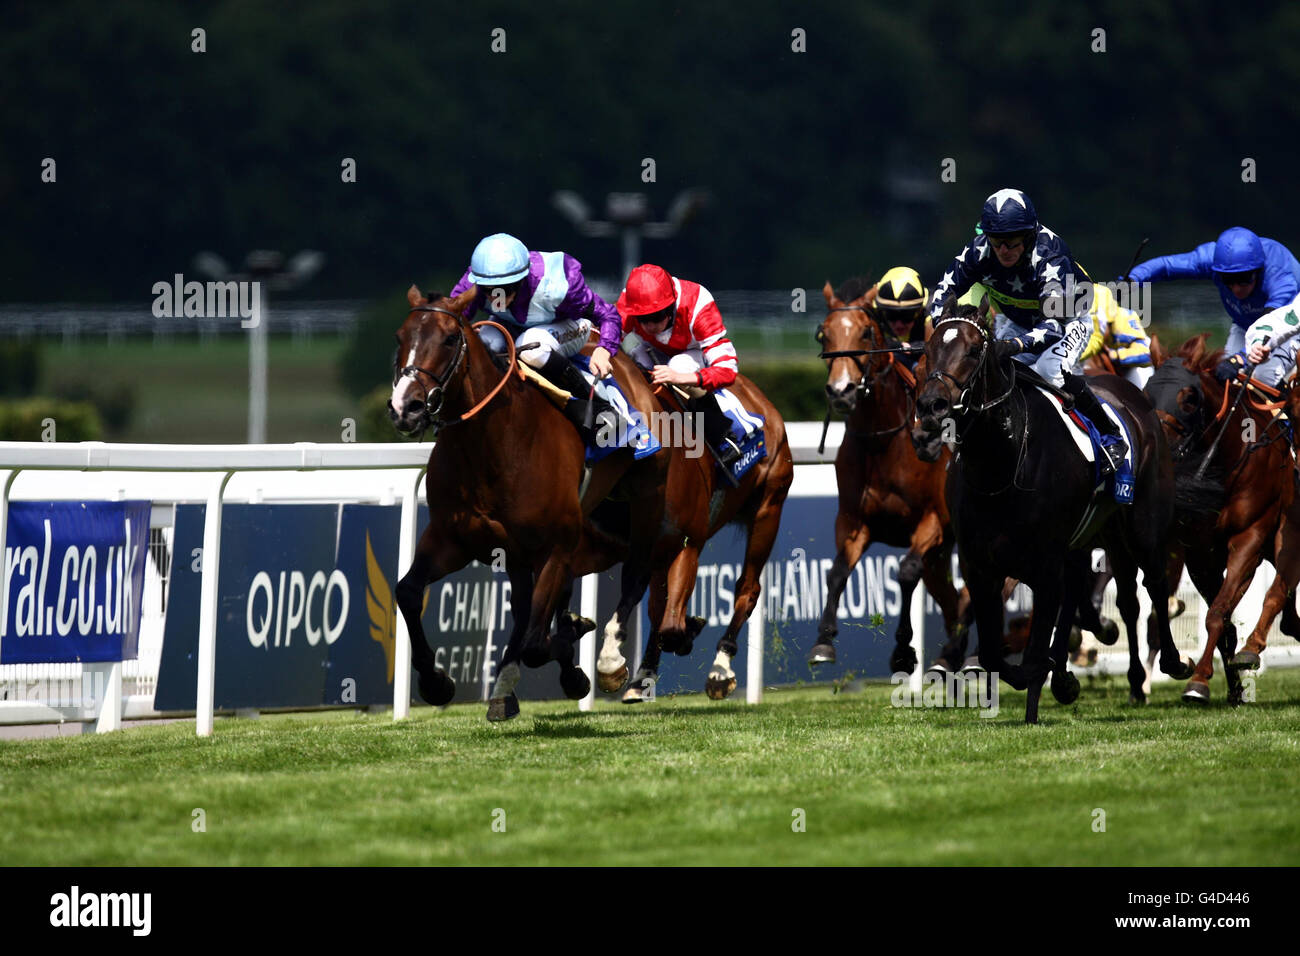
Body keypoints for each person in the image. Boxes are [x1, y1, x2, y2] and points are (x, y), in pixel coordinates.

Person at [928, 188, 1130, 481]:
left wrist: (1013, 345)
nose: (1003, 250)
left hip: (1067, 320)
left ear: (1030, 235)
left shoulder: (1050, 255)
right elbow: (942, 292)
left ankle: (1109, 433)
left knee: (1050, 370)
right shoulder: (977, 250)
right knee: (987, 374)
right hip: (1017, 320)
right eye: (996, 241)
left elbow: (1052, 327)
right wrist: (945, 329)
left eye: (1012, 241)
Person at [450, 233, 621, 437]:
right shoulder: (474, 282)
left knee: (532, 346)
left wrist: (604, 349)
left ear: (521, 281)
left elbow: (608, 314)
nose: (496, 297)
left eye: (503, 289)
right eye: (489, 290)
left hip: (568, 326)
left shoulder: (560, 284)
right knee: (485, 345)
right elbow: (449, 323)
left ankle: (596, 405)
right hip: (510, 325)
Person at [1127, 227, 1300, 385]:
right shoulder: (1210, 259)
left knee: (1264, 377)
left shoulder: (1278, 275)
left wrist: (1240, 359)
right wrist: (1133, 280)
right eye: (1228, 280)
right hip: (1245, 325)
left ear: (1259, 270)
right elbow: (1166, 266)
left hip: (1286, 327)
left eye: (1244, 278)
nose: (1236, 288)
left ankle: (1287, 418)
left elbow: (1271, 330)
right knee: (1224, 382)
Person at [612, 263, 743, 464]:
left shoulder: (698, 303)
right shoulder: (629, 301)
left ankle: (724, 438)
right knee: (632, 362)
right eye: (642, 319)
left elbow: (728, 370)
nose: (649, 325)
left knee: (679, 364)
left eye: (656, 317)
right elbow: (606, 338)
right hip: (652, 350)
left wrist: (680, 377)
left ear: (671, 306)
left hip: (693, 353)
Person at [1079, 283, 1155, 388]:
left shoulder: (1125, 319)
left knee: (1139, 388)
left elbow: (1146, 355)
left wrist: (1115, 355)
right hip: (1106, 364)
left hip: (1135, 366)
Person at [870, 266, 927, 369]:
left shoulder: (933, 310)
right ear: (881, 311)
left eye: (907, 315)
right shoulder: (872, 311)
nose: (899, 324)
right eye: (891, 315)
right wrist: (895, 345)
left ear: (920, 311)